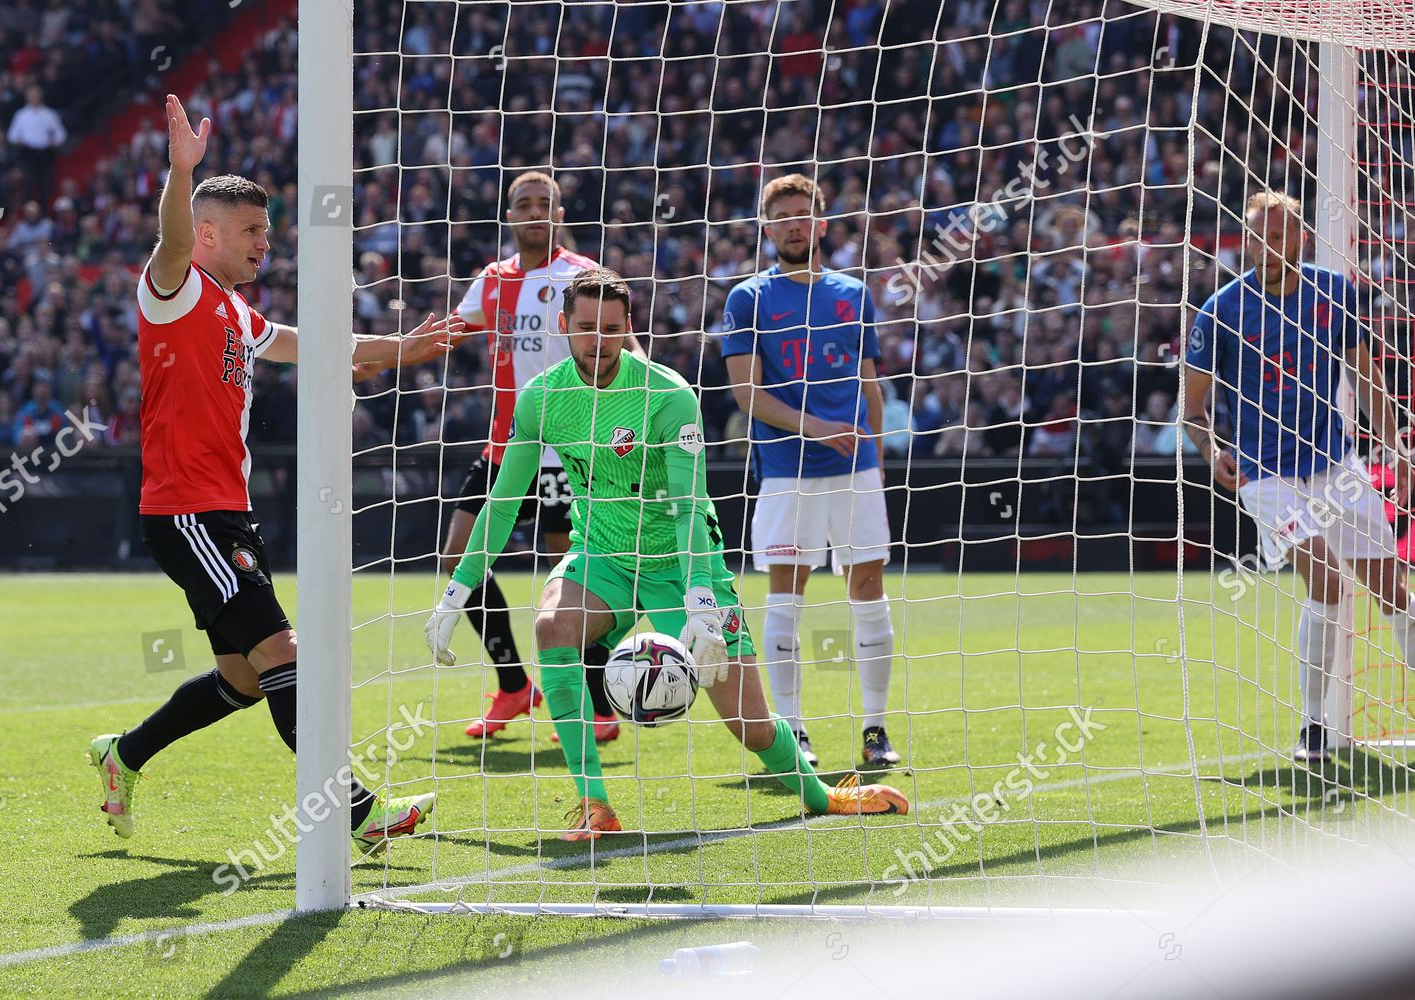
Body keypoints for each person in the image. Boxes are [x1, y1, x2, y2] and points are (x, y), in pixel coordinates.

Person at [89, 94, 460, 851]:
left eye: (269, 231)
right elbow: (168, 242)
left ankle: (122, 754)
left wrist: (400, 348)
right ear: (210, 234)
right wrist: (180, 172)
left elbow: (312, 343)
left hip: (224, 512)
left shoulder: (235, 311)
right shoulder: (175, 290)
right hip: (187, 513)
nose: (266, 244)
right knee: (287, 656)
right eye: (253, 232)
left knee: (246, 679)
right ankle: (359, 814)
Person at [426, 267, 909, 840]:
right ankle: (595, 805)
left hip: (682, 567)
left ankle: (821, 795)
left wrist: (702, 601)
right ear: (563, 326)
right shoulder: (542, 398)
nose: (598, 340)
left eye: (610, 327)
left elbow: (688, 507)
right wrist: (458, 591)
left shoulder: (668, 395)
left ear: (627, 326)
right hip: (602, 557)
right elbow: (503, 504)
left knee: (751, 727)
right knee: (552, 626)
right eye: (586, 327)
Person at [1182, 190, 1414, 765]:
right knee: (1328, 584)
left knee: (1393, 593)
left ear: (1300, 238)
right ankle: (1313, 727)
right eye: (1255, 237)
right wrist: (1213, 452)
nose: (1265, 248)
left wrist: (1395, 448)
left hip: (1337, 467)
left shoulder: (1334, 294)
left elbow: (1366, 379)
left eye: (1278, 236)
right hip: (1267, 476)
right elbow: (1190, 410)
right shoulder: (1221, 311)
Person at [440, 171, 634, 742]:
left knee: (572, 575)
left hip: (571, 450)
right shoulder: (493, 280)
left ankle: (596, 705)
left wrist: (646, 393)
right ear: (509, 215)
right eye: (522, 204)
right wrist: (380, 360)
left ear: (559, 212)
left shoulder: (580, 274)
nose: (533, 212)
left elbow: (621, 337)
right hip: (506, 445)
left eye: (543, 203)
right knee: (458, 557)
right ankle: (513, 686)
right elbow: (453, 329)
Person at [721, 173, 899, 769]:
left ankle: (875, 729)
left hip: (856, 468)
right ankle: (793, 730)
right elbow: (747, 394)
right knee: (786, 595)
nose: (795, 225)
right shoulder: (748, 298)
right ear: (768, 228)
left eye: (805, 214)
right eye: (784, 217)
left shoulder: (853, 293)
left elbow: (868, 380)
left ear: (822, 223)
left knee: (868, 590)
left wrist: (871, 439)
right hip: (787, 469)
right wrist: (821, 429)